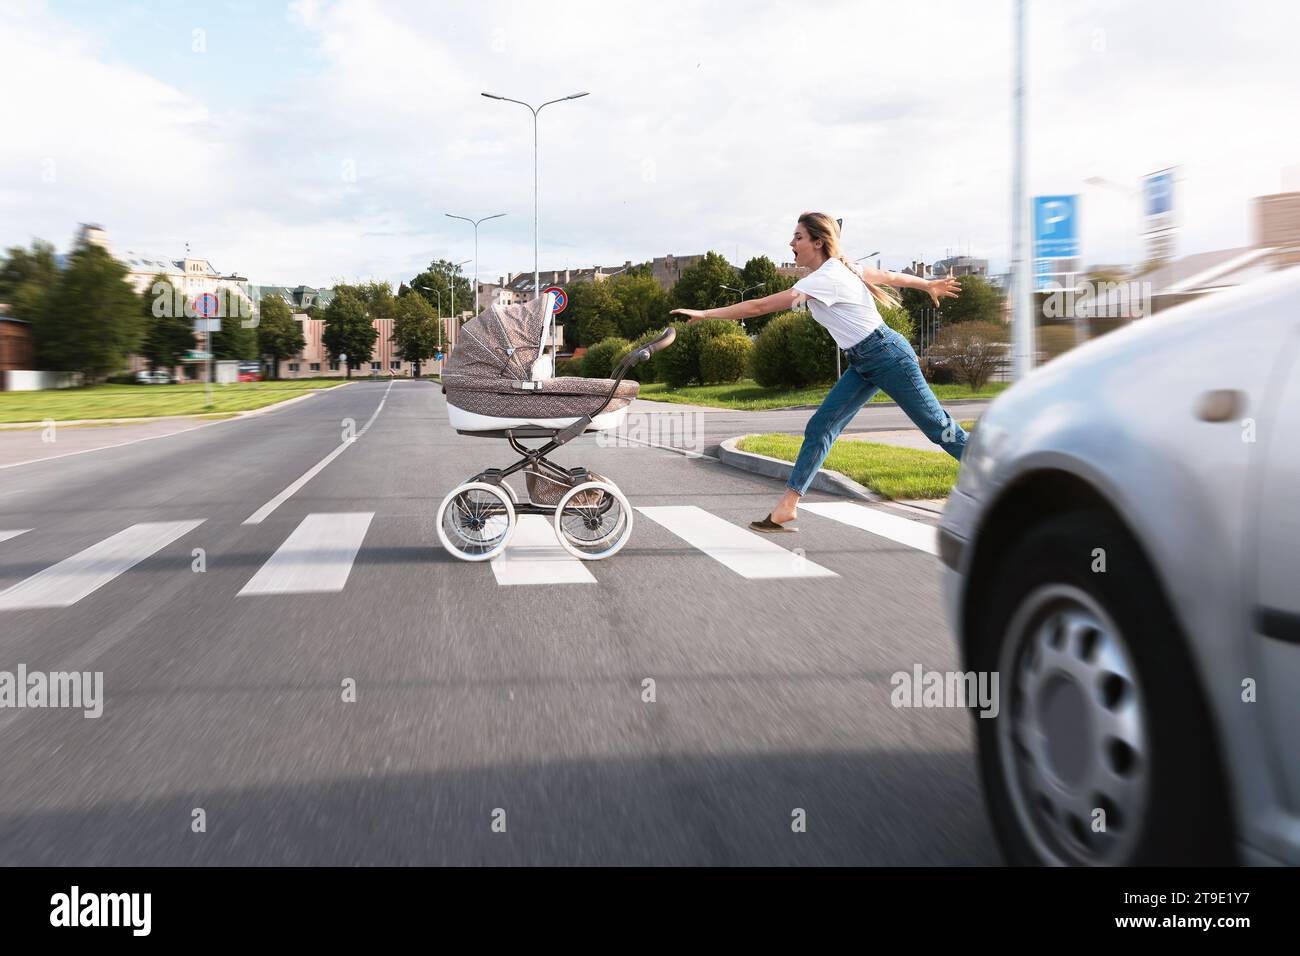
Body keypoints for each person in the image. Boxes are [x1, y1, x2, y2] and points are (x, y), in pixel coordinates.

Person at [669, 211, 967, 532]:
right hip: (864, 361)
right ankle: (787, 507)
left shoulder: (826, 277)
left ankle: (1003, 475)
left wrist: (705, 312)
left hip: (888, 356)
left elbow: (759, 306)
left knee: (939, 429)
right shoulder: (840, 268)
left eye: (798, 237)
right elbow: (891, 278)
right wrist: (926, 284)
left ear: (817, 242)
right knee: (821, 427)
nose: (791, 243)